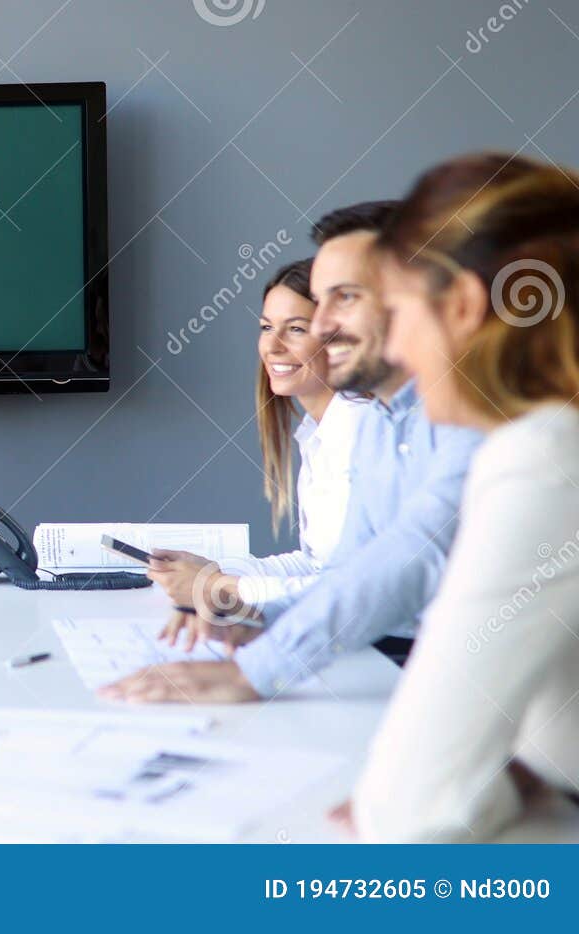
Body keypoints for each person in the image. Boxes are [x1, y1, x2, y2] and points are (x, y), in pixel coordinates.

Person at [100, 201, 482, 703]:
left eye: (344, 298)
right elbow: (349, 572)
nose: (322, 326)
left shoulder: (469, 418)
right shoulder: (383, 421)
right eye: (319, 304)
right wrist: (260, 619)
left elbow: (407, 564)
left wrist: (252, 660)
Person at [341, 153, 579, 841]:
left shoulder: (542, 459)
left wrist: (476, 789)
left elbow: (407, 812)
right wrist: (510, 776)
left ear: (465, 306)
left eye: (396, 312)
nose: (397, 347)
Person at [147, 258, 363, 650]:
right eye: (266, 327)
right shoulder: (321, 431)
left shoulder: (359, 432)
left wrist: (218, 585)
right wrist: (214, 574)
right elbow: (314, 564)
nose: (273, 346)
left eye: (295, 329)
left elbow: (346, 590)